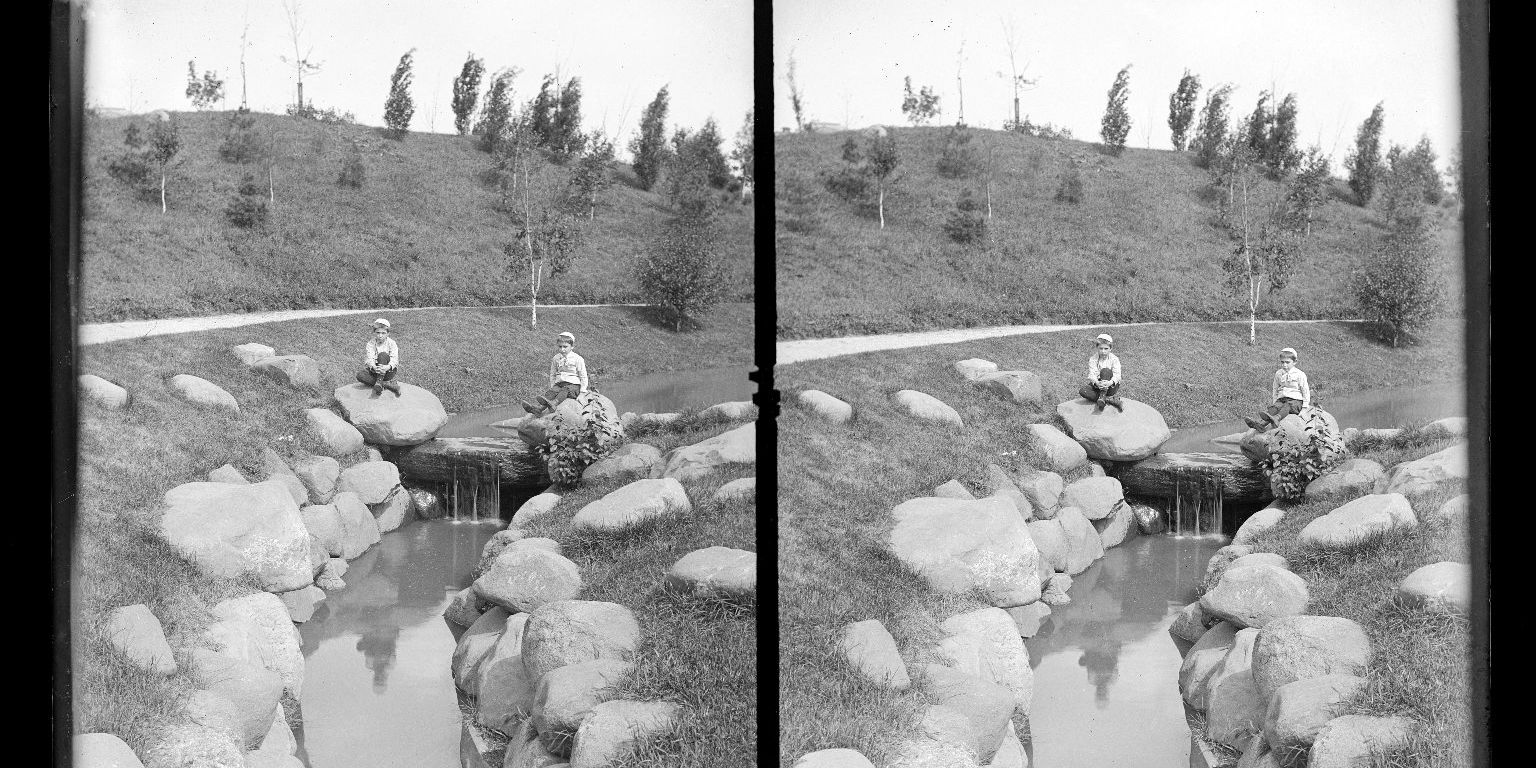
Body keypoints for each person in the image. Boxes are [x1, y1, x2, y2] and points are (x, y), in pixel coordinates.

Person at [1243, 347, 1311, 431]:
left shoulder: (1300, 374)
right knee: (1275, 408)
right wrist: (1275, 401)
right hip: (1282, 399)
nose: (1284, 365)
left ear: (1295, 362)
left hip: (1296, 401)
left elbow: (1305, 391)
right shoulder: (1279, 373)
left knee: (1287, 406)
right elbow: (1275, 388)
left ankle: (1277, 418)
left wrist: (1304, 408)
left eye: (1287, 362)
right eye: (1282, 362)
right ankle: (1261, 424)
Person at [522, 331, 589, 415]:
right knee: (552, 392)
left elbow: (583, 376)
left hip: (573, 386)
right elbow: (553, 374)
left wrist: (582, 392)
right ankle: (538, 409)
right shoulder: (556, 358)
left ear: (572, 347)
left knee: (565, 390)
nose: (562, 349)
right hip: (560, 384)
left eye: (565, 347)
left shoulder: (578, 359)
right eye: (560, 347)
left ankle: (554, 404)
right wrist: (553, 386)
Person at [1078, 333, 1124, 412]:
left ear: (1110, 348)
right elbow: (1092, 375)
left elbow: (1117, 375)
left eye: (1106, 349)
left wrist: (1110, 383)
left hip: (1111, 386)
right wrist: (1097, 383)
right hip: (1099, 385)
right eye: (1101, 348)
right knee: (1083, 391)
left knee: (1105, 370)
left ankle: (1103, 396)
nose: (1103, 351)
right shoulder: (1093, 359)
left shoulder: (1114, 359)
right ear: (1097, 348)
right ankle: (1109, 400)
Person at [357, 318, 401, 396]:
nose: (380, 336)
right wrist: (373, 366)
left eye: (383, 333)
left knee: (382, 355)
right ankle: (386, 384)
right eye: (378, 333)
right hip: (375, 370)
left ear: (388, 333)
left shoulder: (392, 343)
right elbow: (369, 358)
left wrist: (387, 367)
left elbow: (395, 359)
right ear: (374, 332)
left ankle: (380, 381)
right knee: (360, 375)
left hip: (388, 371)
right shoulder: (371, 343)